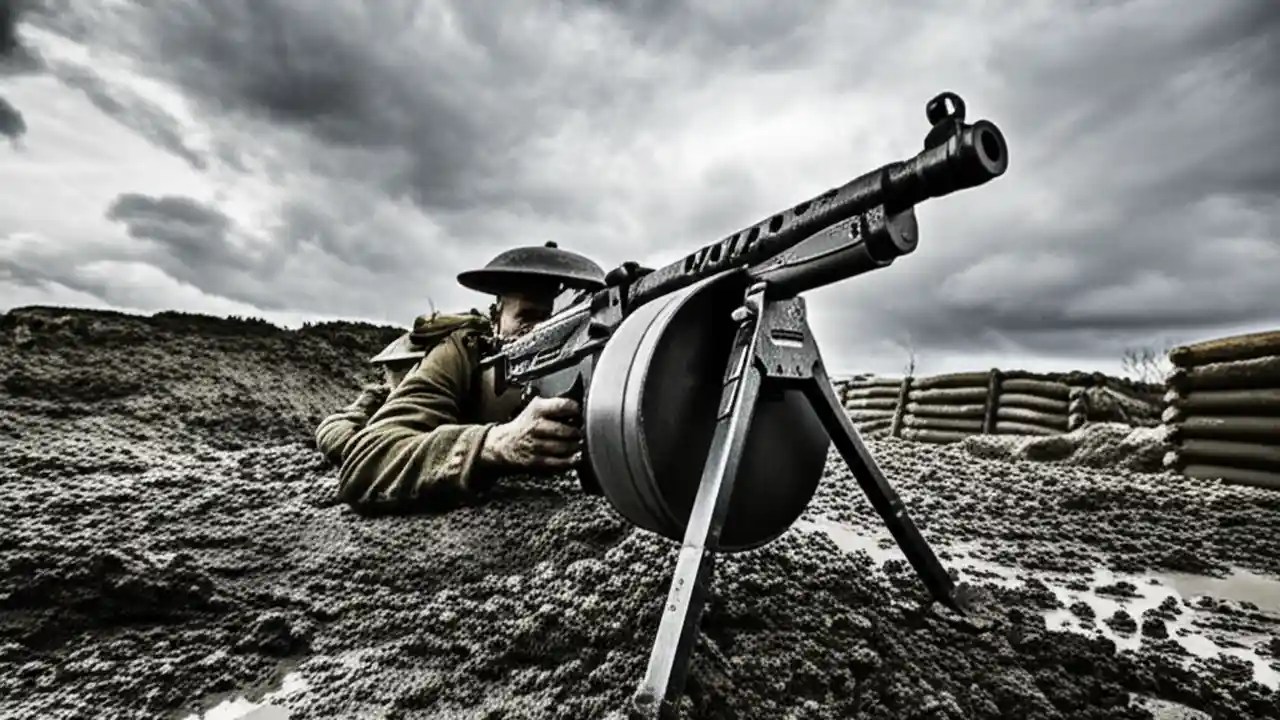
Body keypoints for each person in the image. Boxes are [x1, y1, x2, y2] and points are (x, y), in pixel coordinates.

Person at [335, 242, 606, 512]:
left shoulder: (599, 353)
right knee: (345, 430)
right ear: (496, 320)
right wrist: (493, 444)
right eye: (530, 318)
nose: (548, 333)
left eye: (566, 320)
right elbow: (365, 463)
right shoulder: (463, 352)